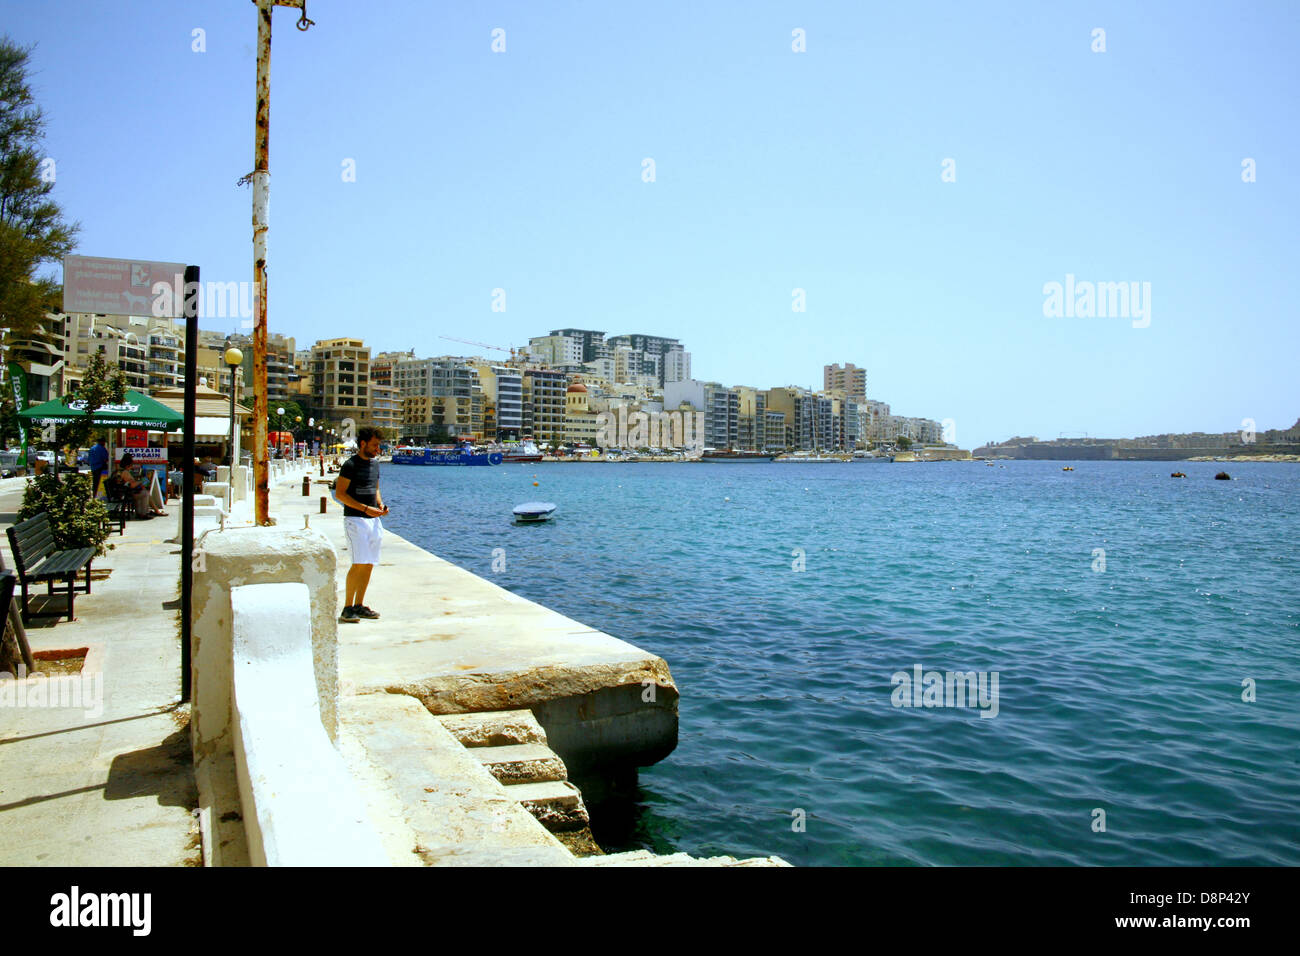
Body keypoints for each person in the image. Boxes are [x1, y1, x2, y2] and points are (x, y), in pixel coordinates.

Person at [332, 426, 387, 623]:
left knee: (369, 563)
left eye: (378, 445)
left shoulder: (375, 464)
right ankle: (347, 608)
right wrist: (364, 509)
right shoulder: (350, 465)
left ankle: (359, 605)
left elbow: (376, 489)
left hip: (374, 520)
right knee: (358, 563)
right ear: (363, 444)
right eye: (374, 445)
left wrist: (380, 504)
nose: (377, 449)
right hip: (355, 520)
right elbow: (340, 494)